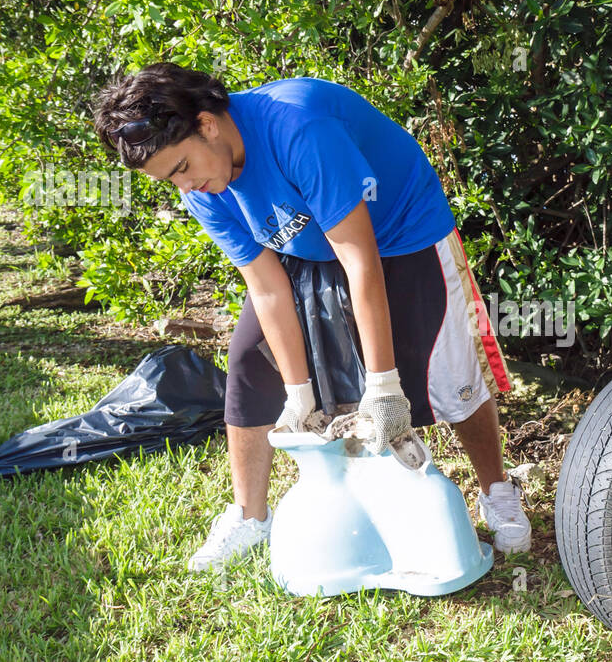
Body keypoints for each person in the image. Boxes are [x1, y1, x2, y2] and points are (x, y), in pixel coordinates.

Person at [92, 63, 531, 571]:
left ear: (207, 124)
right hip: (304, 245)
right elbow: (267, 287)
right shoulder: (202, 187)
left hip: (402, 229)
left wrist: (384, 385)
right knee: (249, 360)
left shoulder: (299, 128)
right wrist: (298, 394)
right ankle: (250, 515)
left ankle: (496, 487)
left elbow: (360, 261)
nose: (185, 187)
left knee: (447, 363)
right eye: (170, 180)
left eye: (182, 168)